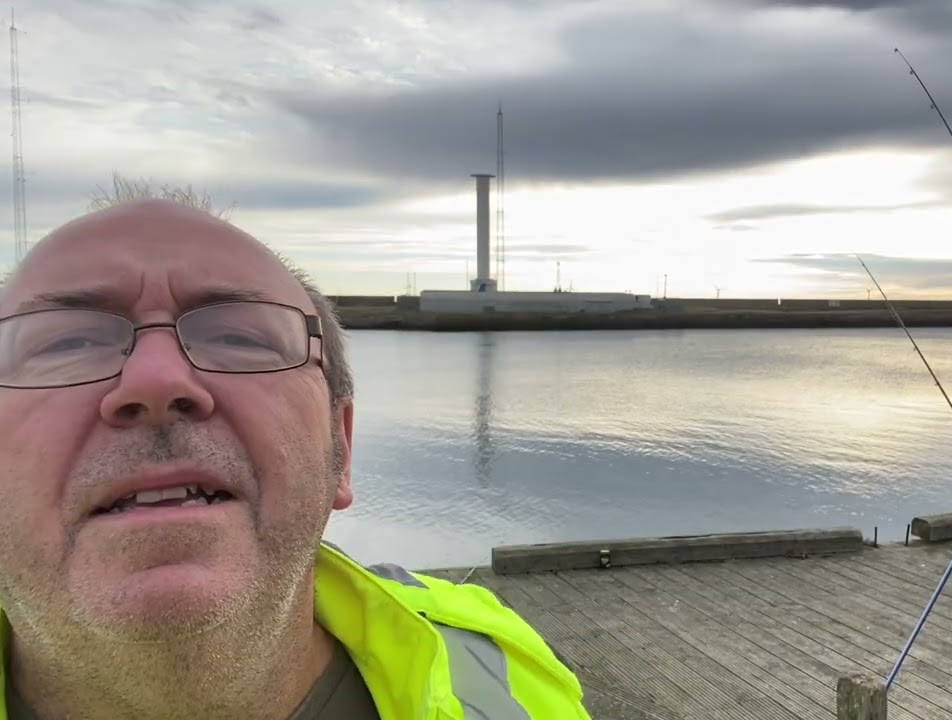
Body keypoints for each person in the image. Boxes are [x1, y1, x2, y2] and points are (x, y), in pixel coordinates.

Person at [0, 193, 591, 719]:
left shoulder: (500, 667)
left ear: (342, 448)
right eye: (67, 342)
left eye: (239, 337)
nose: (156, 379)